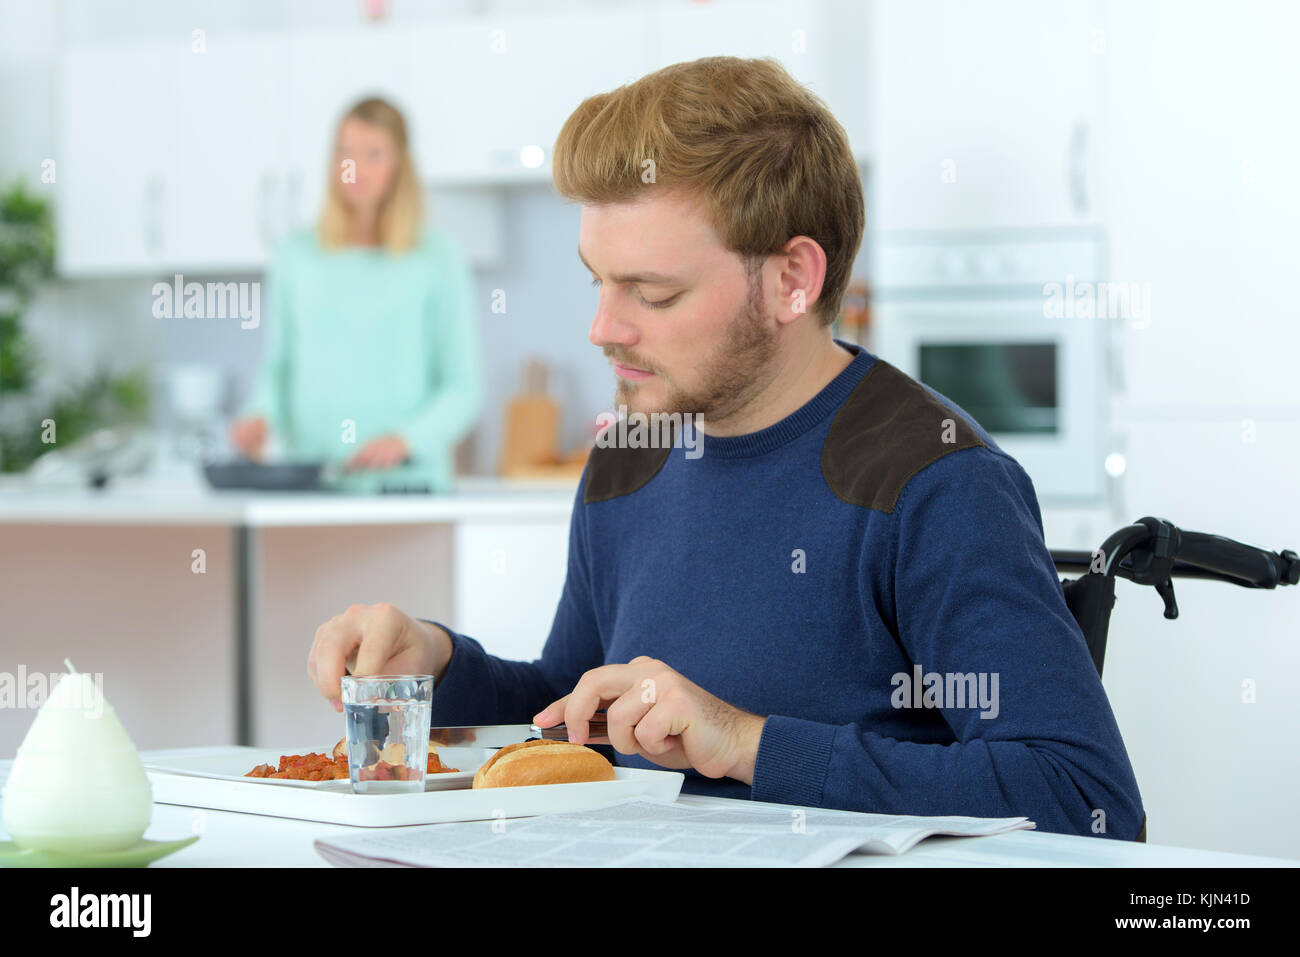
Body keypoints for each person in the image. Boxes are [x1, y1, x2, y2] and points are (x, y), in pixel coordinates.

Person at [307, 58, 1145, 839]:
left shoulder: (935, 481)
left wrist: (744, 743)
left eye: (652, 292)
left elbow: (1084, 794)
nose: (602, 328)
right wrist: (439, 662)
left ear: (792, 280)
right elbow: (570, 705)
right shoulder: (633, 450)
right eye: (596, 280)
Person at [230, 97, 481, 493]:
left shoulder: (436, 258)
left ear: (401, 166)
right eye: (345, 152)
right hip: (314, 486)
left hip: (405, 487)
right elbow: (277, 369)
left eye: (374, 154)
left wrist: (406, 439)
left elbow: (463, 388)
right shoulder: (296, 256)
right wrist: (259, 415)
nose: (355, 168)